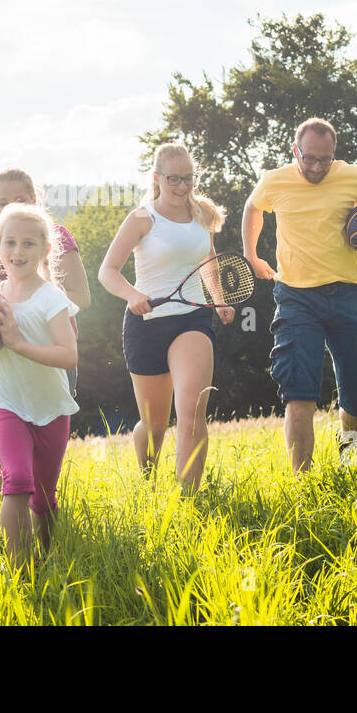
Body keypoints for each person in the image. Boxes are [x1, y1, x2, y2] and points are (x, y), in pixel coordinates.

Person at [242, 117, 357, 474]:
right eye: (309, 159)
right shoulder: (275, 180)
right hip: (295, 298)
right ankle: (302, 484)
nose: (317, 167)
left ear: (333, 154)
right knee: (299, 393)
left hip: (347, 292)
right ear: (295, 150)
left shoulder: (355, 176)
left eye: (325, 159)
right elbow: (253, 207)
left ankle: (347, 448)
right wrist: (251, 254)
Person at [97, 143, 234, 490]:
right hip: (147, 325)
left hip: (193, 320)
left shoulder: (201, 214)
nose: (183, 187)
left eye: (188, 179)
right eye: (174, 179)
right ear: (157, 178)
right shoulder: (143, 218)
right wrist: (133, 295)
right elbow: (108, 271)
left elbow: (208, 260)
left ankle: (188, 500)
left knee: (191, 411)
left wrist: (218, 300)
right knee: (154, 424)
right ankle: (147, 479)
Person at [0, 168, 89, 491]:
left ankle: (41, 500)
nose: (10, 207)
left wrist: (32, 296)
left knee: (43, 426)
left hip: (49, 345)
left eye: (19, 200)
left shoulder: (56, 235)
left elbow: (82, 296)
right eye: (2, 202)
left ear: (35, 200)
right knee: (7, 425)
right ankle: (10, 502)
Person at [0, 202, 79, 571]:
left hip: (51, 408)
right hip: (6, 403)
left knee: (44, 499)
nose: (17, 252)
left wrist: (18, 343)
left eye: (28, 244)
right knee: (17, 480)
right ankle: (22, 575)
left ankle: (50, 557)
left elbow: (68, 356)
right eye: (10, 243)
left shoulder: (52, 299)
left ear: (45, 250)